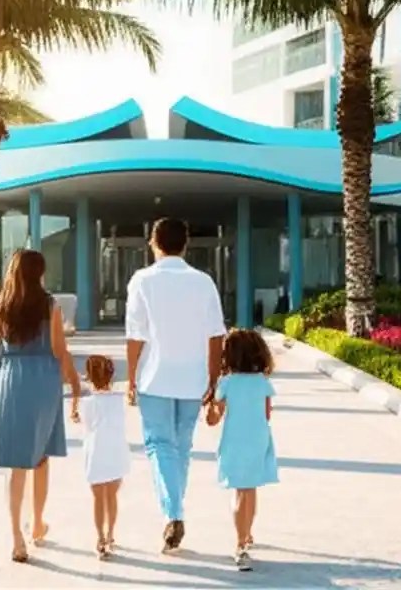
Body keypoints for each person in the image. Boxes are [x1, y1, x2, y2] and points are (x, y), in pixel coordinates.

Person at [125, 218, 227, 553]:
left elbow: (135, 335)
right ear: (185, 244)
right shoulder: (203, 282)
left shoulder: (142, 280)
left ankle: (173, 513)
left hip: (154, 377)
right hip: (193, 377)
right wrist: (214, 379)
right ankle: (175, 511)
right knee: (182, 446)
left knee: (159, 445)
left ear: (153, 243)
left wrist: (130, 379)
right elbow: (216, 335)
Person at [0, 249, 81, 564]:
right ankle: (37, 522)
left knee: (16, 464)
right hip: (42, 381)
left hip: (10, 380)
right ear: (39, 272)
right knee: (40, 457)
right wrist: (76, 384)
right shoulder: (49, 304)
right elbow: (58, 350)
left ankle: (16, 537)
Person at [205, 329, 279, 571]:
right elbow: (267, 414)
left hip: (235, 441)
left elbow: (215, 418)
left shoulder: (226, 383)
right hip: (258, 439)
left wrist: (211, 408)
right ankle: (247, 534)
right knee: (251, 489)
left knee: (240, 492)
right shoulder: (263, 383)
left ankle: (240, 545)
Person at [75, 354, 130, 560]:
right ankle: (111, 535)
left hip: (96, 451)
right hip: (115, 450)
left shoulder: (87, 402)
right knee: (112, 496)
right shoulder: (118, 400)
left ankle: (99, 538)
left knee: (98, 498)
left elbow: (87, 426)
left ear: (88, 377)